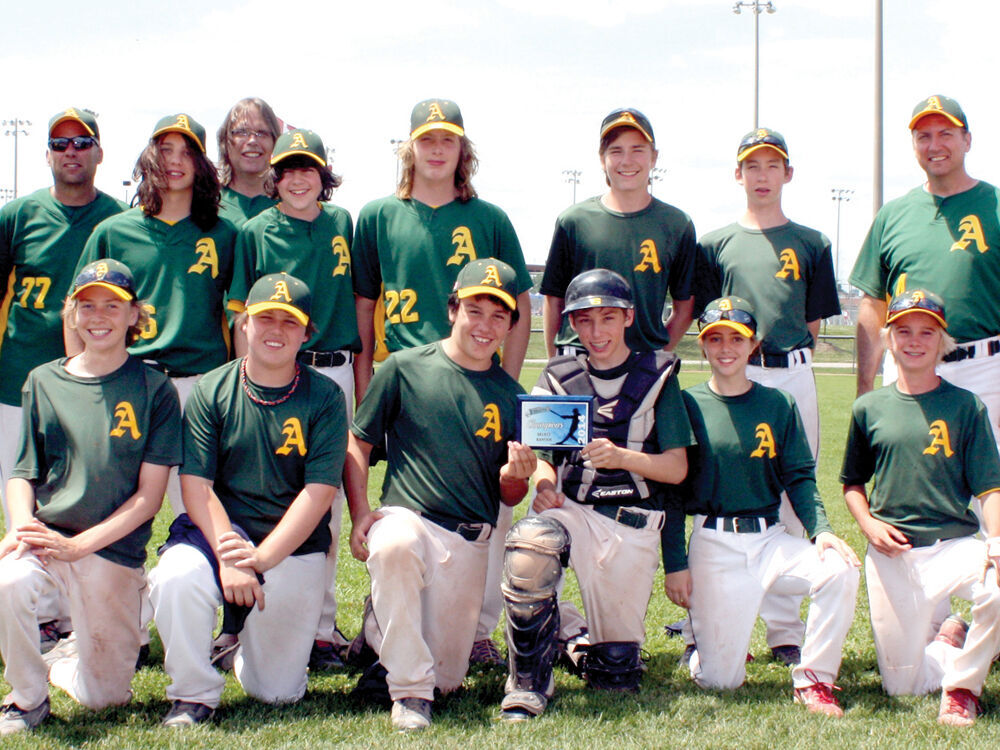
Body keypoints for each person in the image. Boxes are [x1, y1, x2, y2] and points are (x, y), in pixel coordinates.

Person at [352, 99, 534, 664]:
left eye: (448, 139)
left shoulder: (490, 218)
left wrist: (504, 384)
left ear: (463, 150)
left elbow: (520, 307)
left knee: (486, 510)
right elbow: (365, 303)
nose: (436, 148)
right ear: (409, 147)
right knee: (402, 515)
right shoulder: (379, 213)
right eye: (426, 139)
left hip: (480, 377)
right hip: (407, 376)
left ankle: (475, 629)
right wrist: (367, 380)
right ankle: (381, 623)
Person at [149, 273, 347, 728]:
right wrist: (231, 556)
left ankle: (238, 638)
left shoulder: (326, 397)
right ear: (243, 324)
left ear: (307, 332)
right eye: (264, 319)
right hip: (220, 538)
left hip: (290, 547)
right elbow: (196, 486)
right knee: (174, 577)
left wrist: (260, 558)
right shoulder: (211, 389)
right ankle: (193, 694)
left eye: (289, 322)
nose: (275, 330)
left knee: (274, 693)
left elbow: (318, 494)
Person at [345, 259, 535, 731]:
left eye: (499, 316)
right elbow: (358, 442)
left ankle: (380, 643)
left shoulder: (512, 395)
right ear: (453, 310)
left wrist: (517, 475)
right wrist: (361, 512)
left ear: (511, 325)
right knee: (393, 545)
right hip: (408, 519)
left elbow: (509, 496)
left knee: (449, 680)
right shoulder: (406, 368)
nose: (485, 326)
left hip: (468, 540)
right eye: (475, 310)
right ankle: (408, 693)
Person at [499, 269, 693, 721]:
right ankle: (528, 683)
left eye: (608, 318)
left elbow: (676, 468)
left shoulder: (659, 374)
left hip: (632, 523)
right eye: (585, 320)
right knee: (533, 545)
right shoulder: (559, 375)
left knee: (616, 672)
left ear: (628, 317)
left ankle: (574, 640)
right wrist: (545, 485)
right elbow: (544, 454)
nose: (596, 331)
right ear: (571, 324)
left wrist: (623, 457)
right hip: (575, 512)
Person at [0, 260, 181, 736]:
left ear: (133, 316)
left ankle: (63, 656)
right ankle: (27, 697)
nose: (98, 316)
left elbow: (148, 499)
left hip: (112, 551)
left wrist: (83, 547)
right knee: (8, 581)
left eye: (112, 306)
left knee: (105, 700)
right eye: (87, 306)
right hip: (49, 537)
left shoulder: (154, 388)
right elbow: (23, 472)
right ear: (73, 315)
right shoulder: (44, 379)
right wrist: (21, 526)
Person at [663, 296, 859, 716]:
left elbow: (799, 477)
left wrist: (821, 530)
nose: (726, 348)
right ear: (702, 344)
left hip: (771, 540)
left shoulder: (777, 404)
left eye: (737, 338)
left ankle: (814, 681)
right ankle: (707, 647)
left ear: (753, 345)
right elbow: (673, 493)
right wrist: (676, 563)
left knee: (839, 571)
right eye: (715, 338)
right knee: (722, 681)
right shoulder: (686, 402)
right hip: (714, 544)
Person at [691, 128, 841, 666]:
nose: (761, 175)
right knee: (722, 481)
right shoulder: (715, 243)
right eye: (751, 166)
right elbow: (711, 321)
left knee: (791, 491)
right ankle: (703, 619)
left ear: (787, 173)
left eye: (771, 165)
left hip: (790, 370)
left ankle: (784, 631)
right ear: (738, 174)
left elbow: (815, 320)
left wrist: (788, 363)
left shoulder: (812, 241)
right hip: (736, 371)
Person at [229, 128, 358, 670]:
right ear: (274, 177)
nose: (299, 178)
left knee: (323, 499)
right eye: (288, 169)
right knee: (268, 494)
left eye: (309, 169)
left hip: (337, 371)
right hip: (278, 372)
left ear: (323, 177)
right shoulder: (255, 229)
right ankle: (240, 614)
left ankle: (321, 628)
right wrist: (246, 373)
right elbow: (241, 314)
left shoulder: (343, 223)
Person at [841, 288, 1000, 727]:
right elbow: (852, 484)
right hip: (895, 551)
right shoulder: (868, 408)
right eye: (904, 331)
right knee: (904, 685)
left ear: (942, 341)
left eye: (927, 332)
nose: (915, 341)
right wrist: (868, 524)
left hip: (955, 545)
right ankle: (950, 643)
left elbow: (990, 489)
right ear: (890, 338)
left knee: (998, 590)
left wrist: (998, 546)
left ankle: (963, 689)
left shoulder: (966, 406)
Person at [0, 107, 126, 649]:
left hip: (91, 383)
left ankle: (87, 610)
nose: (71, 151)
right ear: (47, 153)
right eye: (60, 143)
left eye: (82, 142)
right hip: (17, 378)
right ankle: (43, 612)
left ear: (99, 152)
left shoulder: (117, 218)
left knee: (83, 496)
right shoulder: (19, 213)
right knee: (24, 493)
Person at [72, 113, 237, 515]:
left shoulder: (225, 233)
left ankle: (193, 578)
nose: (175, 161)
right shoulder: (114, 231)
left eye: (187, 152)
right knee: (110, 502)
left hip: (200, 382)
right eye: (165, 150)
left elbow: (241, 313)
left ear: (202, 165)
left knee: (197, 506)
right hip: (130, 377)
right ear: (150, 157)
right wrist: (81, 380)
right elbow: (73, 309)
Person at [851, 95, 1000, 447]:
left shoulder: (994, 206)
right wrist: (864, 388)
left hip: (982, 367)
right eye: (923, 136)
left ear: (967, 140)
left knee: (988, 492)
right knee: (907, 487)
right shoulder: (893, 214)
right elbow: (873, 306)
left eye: (945, 133)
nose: (935, 145)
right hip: (906, 365)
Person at [540, 107, 696, 358]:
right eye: (616, 151)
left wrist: (659, 350)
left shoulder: (676, 224)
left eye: (637, 150)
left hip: (643, 357)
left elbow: (684, 307)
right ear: (602, 159)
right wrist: (555, 360)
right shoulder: (574, 220)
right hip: (580, 355)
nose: (627, 161)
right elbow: (554, 299)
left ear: (654, 157)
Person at [216, 97, 281, 226]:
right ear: (225, 142)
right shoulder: (207, 206)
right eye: (242, 132)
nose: (252, 141)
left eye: (262, 133)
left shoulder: (290, 208)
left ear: (275, 143)